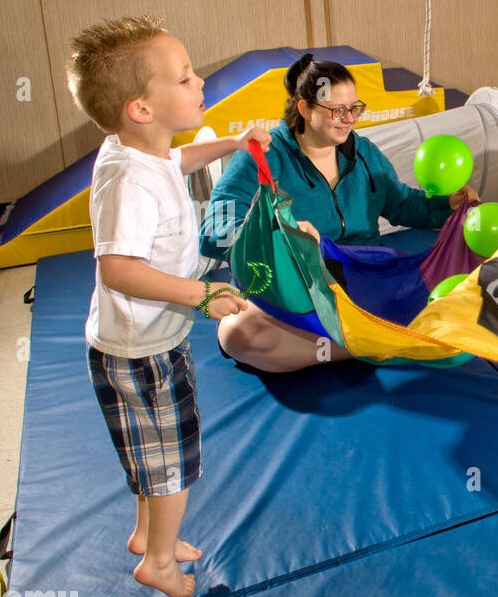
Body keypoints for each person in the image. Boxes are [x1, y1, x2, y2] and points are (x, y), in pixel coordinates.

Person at [67, 15, 269, 597]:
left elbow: (176, 163)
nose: (200, 81)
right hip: (141, 352)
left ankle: (144, 534)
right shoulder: (128, 181)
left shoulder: (137, 149)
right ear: (141, 108)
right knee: (172, 463)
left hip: (144, 340)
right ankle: (158, 561)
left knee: (146, 449)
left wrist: (230, 143)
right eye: (184, 78)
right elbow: (119, 268)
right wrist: (201, 292)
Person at [199, 55, 477, 372]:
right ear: (304, 109)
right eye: (337, 111)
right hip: (304, 287)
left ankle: (353, 342)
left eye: (355, 108)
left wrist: (448, 206)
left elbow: (402, 203)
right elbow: (214, 229)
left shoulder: (364, 153)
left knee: (462, 302)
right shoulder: (265, 157)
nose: (349, 119)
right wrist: (279, 236)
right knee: (239, 333)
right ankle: (369, 344)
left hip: (364, 280)